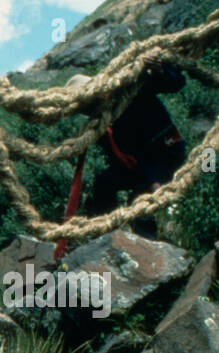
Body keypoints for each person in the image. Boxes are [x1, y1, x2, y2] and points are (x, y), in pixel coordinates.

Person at [72, 57, 187, 240]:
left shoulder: (130, 92)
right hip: (139, 166)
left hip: (166, 154)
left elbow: (178, 82)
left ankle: (151, 248)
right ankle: (106, 237)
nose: (90, 111)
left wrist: (161, 70)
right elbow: (124, 157)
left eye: (90, 104)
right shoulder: (100, 124)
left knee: (138, 202)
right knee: (104, 183)